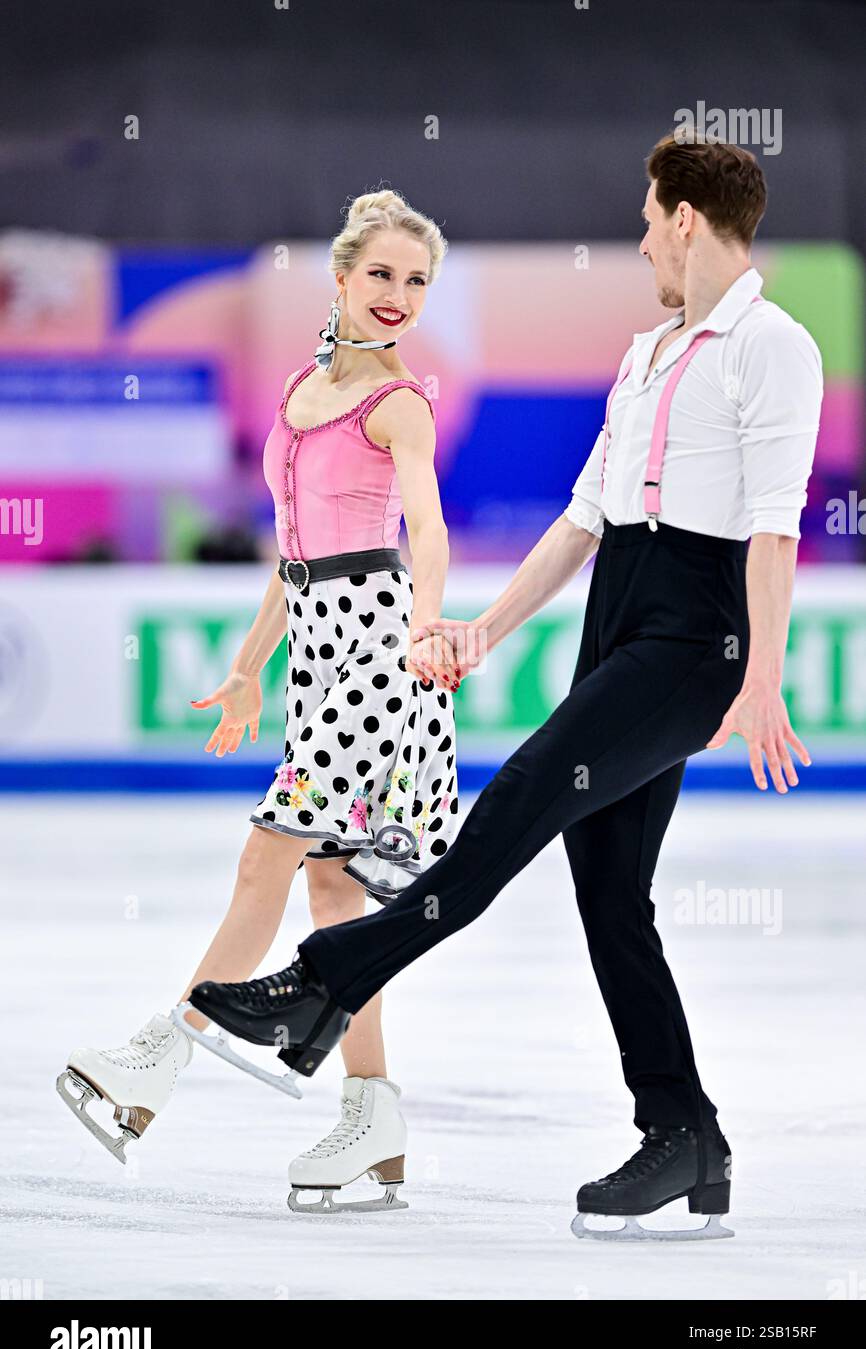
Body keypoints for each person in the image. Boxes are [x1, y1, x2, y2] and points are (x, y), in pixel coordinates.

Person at [189, 131, 823, 1239]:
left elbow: (771, 530)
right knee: (607, 887)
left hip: (692, 632)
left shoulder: (772, 347)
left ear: (683, 217)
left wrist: (759, 677)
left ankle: (319, 979)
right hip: (616, 608)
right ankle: (684, 1136)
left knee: (516, 807)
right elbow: (582, 520)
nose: (638, 243)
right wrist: (484, 628)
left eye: (643, 221)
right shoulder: (647, 354)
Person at [57, 190, 462, 1213]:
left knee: (266, 855)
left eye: (416, 282)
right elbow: (292, 560)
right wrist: (247, 667)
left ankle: (157, 1057)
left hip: (376, 648)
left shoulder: (400, 404)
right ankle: (372, 1116)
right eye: (381, 275)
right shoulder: (295, 394)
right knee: (333, 894)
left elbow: (425, 526)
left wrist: (426, 624)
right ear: (339, 276)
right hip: (314, 648)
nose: (397, 297)